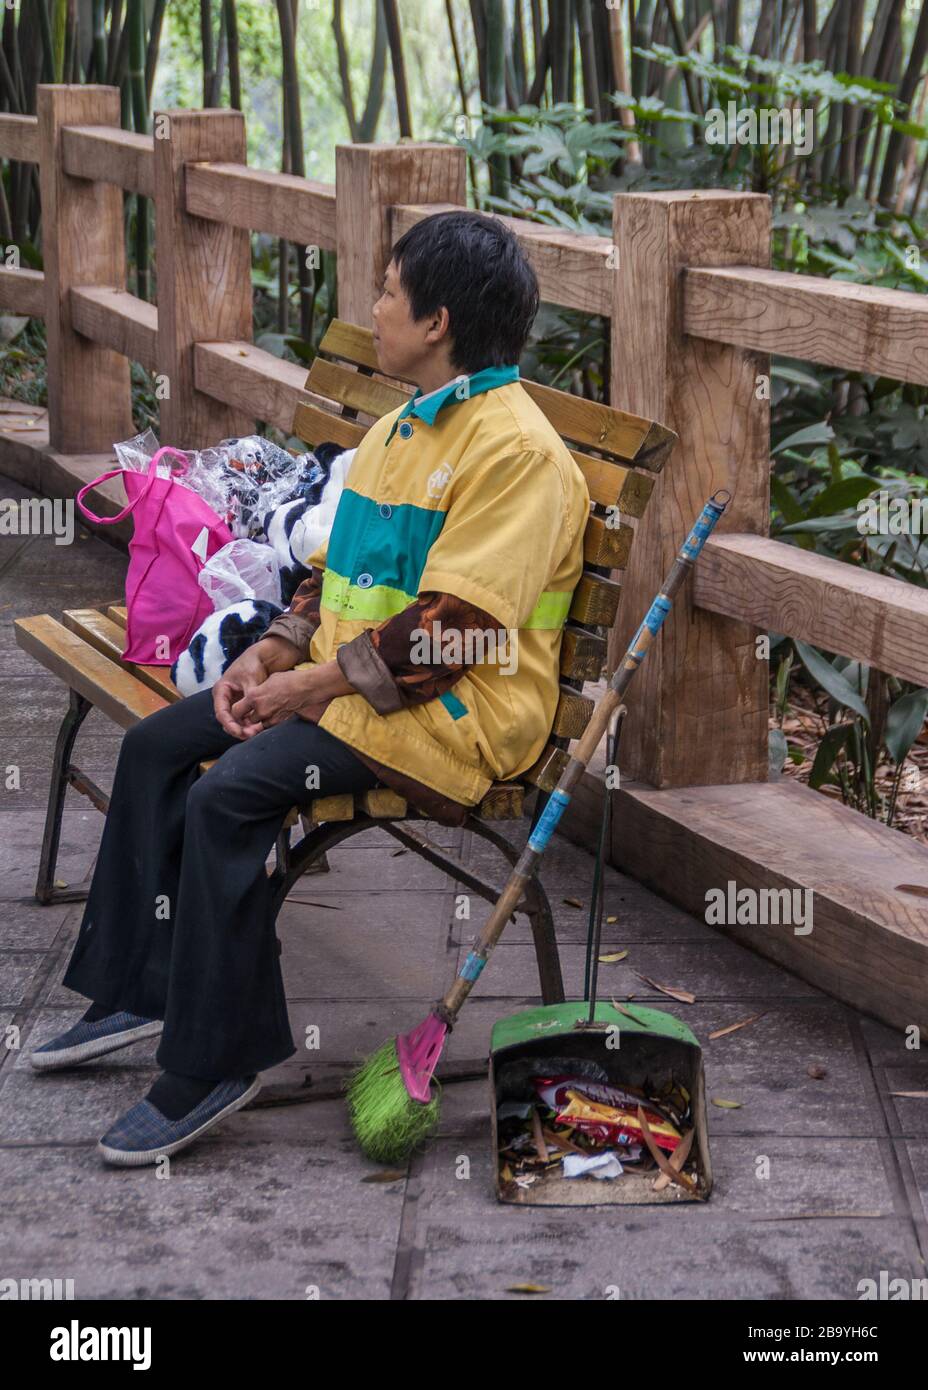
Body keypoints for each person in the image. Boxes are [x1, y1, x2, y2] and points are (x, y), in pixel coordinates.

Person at [29, 210, 591, 1165]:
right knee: (156, 747)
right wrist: (278, 651)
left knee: (225, 796)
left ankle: (217, 1056)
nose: (373, 307)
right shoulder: (400, 431)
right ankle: (141, 986)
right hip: (356, 687)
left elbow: (458, 635)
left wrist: (310, 687)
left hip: (451, 715)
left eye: (386, 290)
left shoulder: (518, 454)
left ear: (437, 323)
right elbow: (333, 577)